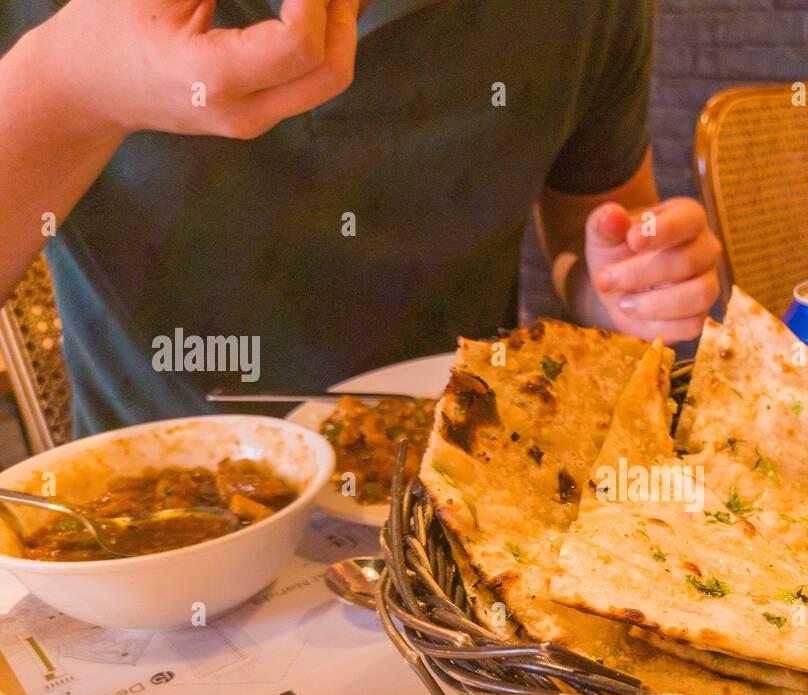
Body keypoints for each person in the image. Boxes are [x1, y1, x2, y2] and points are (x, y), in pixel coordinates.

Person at [0, 0, 722, 435]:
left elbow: (592, 226)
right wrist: (66, 89)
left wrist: (620, 284)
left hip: (463, 498)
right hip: (156, 543)